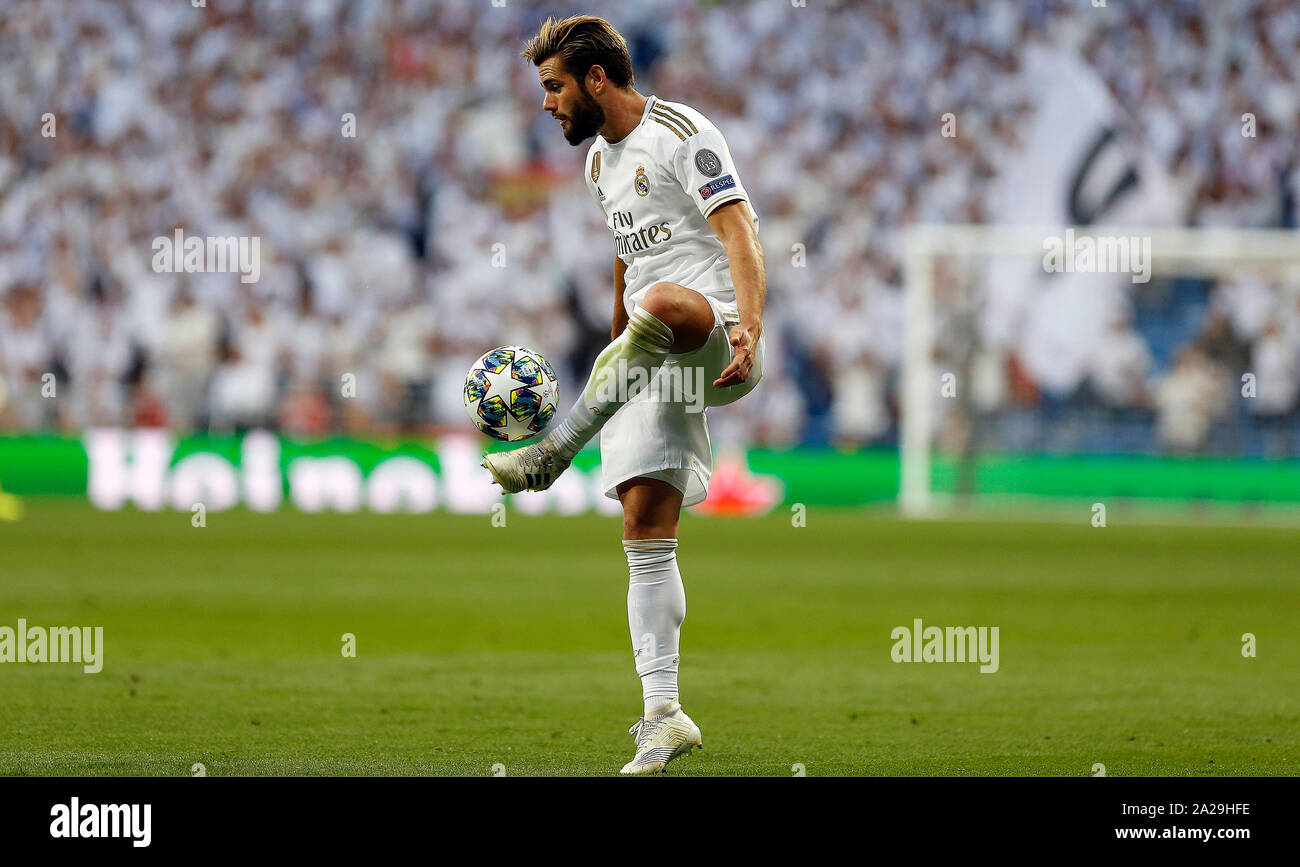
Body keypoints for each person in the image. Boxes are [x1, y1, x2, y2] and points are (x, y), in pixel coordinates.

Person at [482, 15, 766, 774]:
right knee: (645, 527)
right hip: (647, 348)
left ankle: (551, 456)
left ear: (596, 80)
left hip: (713, 332)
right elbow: (625, 258)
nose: (547, 104)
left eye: (553, 87)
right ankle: (664, 714)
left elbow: (739, 231)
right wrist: (616, 345)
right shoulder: (598, 164)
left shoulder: (681, 131)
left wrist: (750, 326)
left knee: (669, 300)